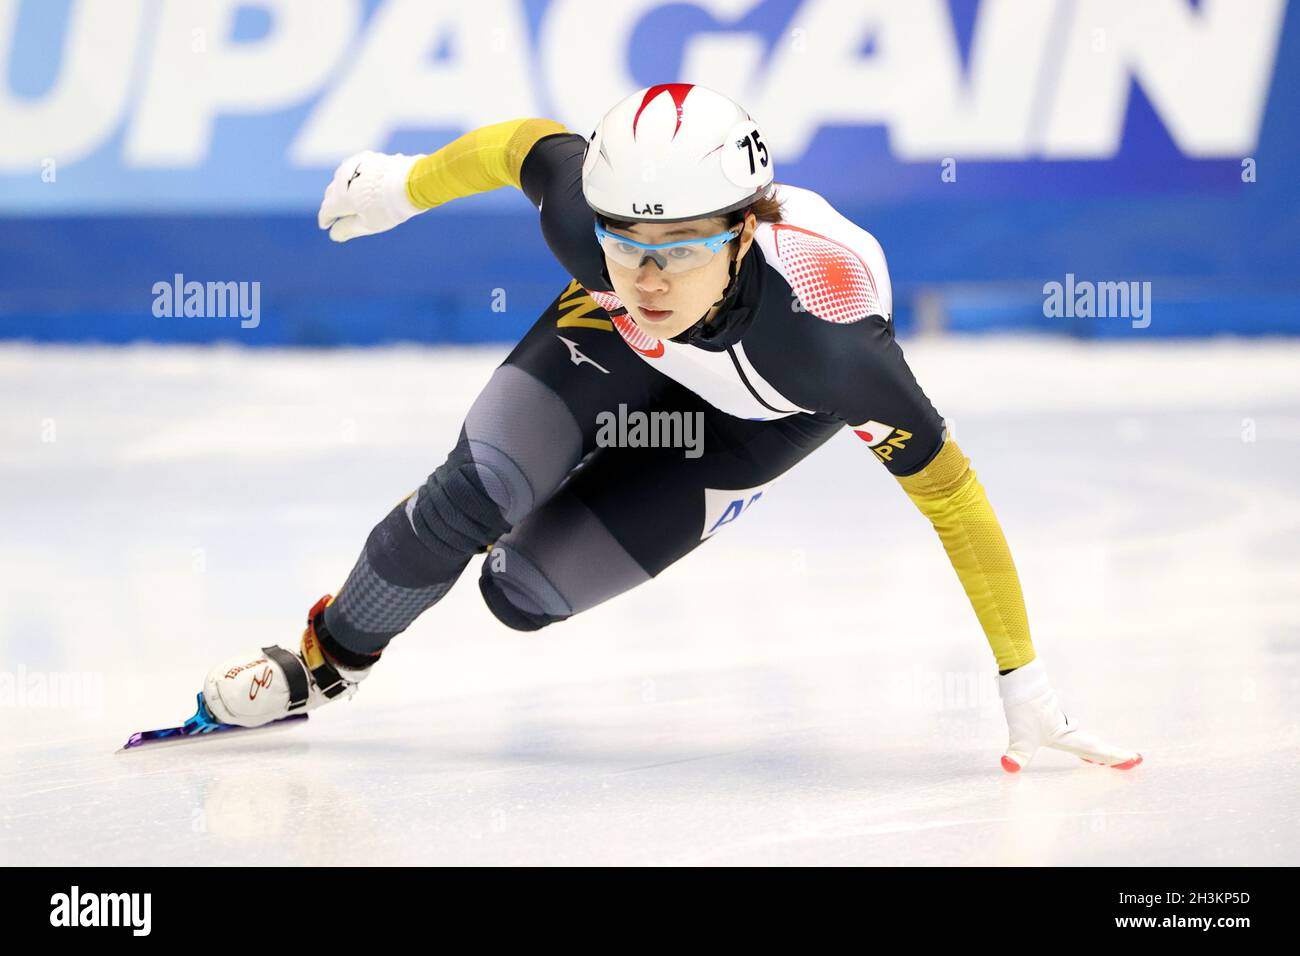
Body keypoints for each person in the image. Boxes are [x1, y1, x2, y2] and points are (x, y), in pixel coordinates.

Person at [202, 84, 1140, 773]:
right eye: (628, 245)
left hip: (755, 415)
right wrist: (404, 185)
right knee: (472, 496)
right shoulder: (593, 235)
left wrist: (1024, 685)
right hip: (611, 344)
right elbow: (525, 146)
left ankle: (547, 507)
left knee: (521, 591)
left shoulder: (831, 346)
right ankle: (328, 661)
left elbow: (954, 500)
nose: (650, 281)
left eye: (682, 250)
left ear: (744, 232)